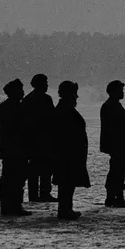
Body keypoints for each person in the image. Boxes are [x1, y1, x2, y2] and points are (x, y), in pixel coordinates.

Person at [52, 80, 89, 221]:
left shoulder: (63, 109)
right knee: (67, 183)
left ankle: (66, 208)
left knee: (67, 183)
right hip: (68, 154)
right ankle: (65, 209)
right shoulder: (65, 111)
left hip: (68, 153)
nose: (77, 97)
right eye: (74, 94)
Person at [0, 78, 31, 217]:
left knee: (10, 178)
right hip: (16, 149)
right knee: (16, 179)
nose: (23, 92)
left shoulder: (6, 107)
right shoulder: (15, 107)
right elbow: (21, 128)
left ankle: (9, 206)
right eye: (21, 90)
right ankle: (14, 206)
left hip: (9, 148)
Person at [99, 79, 125, 208]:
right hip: (117, 144)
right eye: (121, 90)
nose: (123, 92)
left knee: (117, 169)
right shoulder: (111, 106)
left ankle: (113, 197)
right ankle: (116, 197)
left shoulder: (111, 105)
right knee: (118, 170)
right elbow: (114, 127)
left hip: (118, 144)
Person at [22, 73, 56, 203]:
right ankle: (44, 193)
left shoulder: (28, 99)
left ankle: (34, 195)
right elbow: (52, 119)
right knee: (46, 168)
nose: (47, 85)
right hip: (44, 139)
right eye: (45, 83)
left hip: (33, 140)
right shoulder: (45, 99)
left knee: (34, 169)